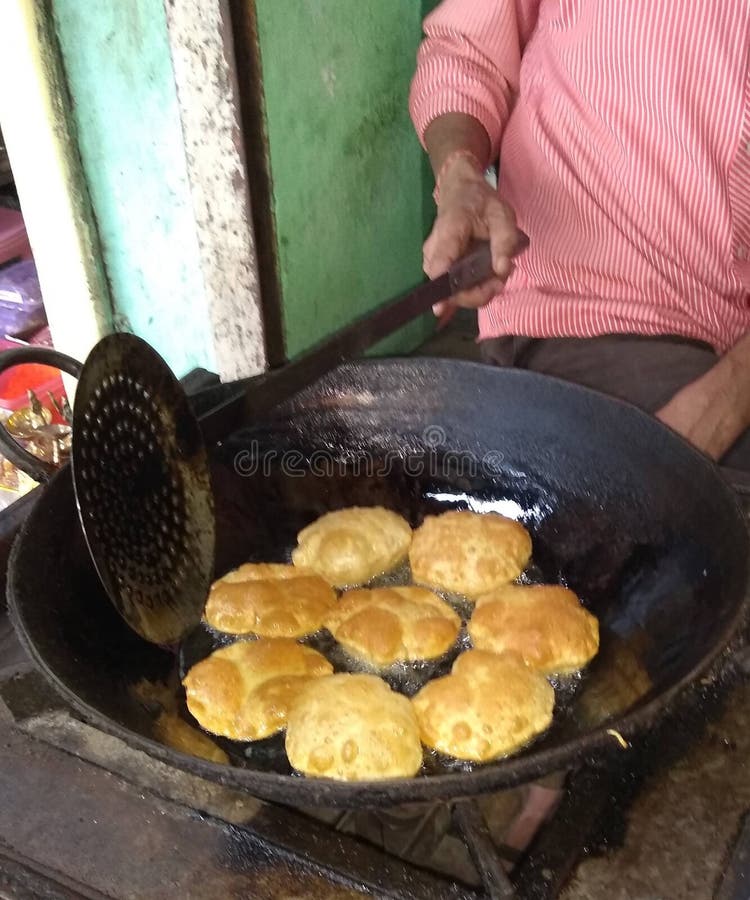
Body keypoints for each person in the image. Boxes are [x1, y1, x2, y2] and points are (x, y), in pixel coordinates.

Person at [409, 0, 750, 468]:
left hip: (725, 355)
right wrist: (459, 177)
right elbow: (469, 52)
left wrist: (729, 396)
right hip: (585, 312)